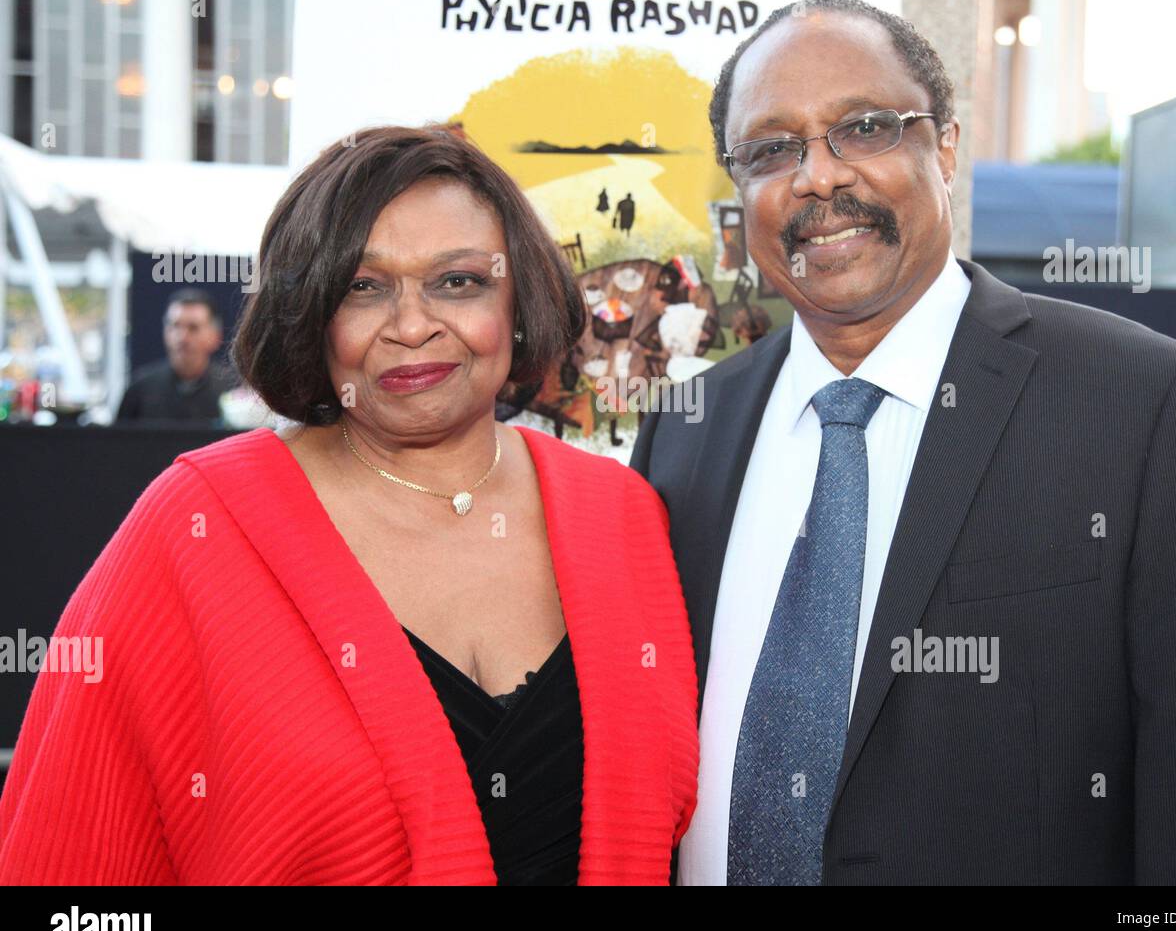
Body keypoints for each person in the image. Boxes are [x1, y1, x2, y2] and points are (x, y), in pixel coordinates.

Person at [631, 0, 1176, 885]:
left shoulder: (1147, 407)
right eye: (772, 149)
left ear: (944, 145)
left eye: (864, 129)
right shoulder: (685, 433)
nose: (818, 177)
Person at [0, 125, 698, 885]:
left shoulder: (624, 516)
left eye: (458, 281)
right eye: (362, 288)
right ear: (310, 317)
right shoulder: (195, 529)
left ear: (521, 298)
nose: (410, 326)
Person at [115, 287, 232, 423]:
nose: (182, 337)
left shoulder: (233, 393)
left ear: (215, 336)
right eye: (175, 326)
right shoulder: (139, 391)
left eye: (193, 328)